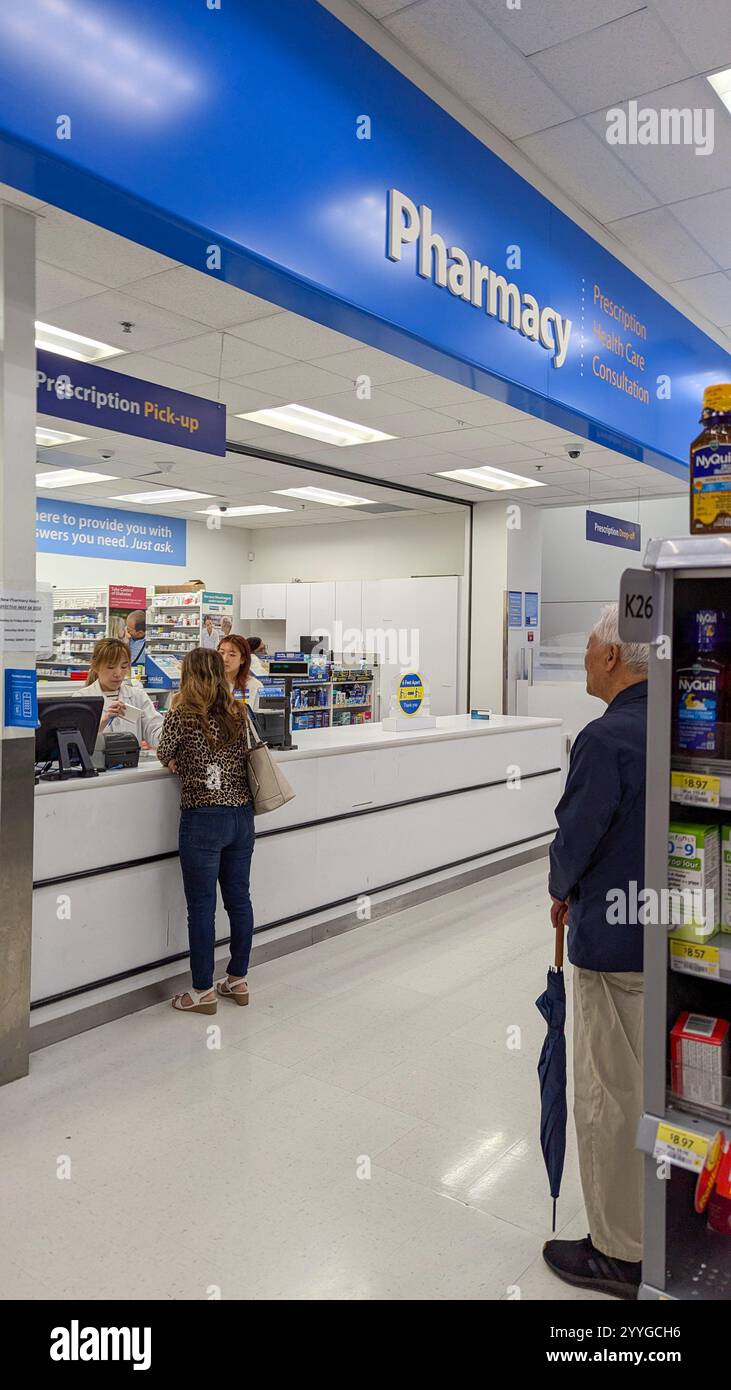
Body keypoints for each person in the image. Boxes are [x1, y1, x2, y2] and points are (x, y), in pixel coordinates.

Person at [543, 603, 648, 1301]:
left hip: (610, 944)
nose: (583, 659)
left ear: (611, 657)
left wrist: (560, 886)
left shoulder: (605, 737)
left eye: (586, 649)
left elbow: (575, 837)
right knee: (646, 1089)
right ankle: (656, 1224)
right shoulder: (673, 724)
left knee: (608, 1094)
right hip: (666, 935)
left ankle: (619, 1251)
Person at [157, 647, 255, 1014]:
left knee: (201, 908)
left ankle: (201, 991)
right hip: (241, 817)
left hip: (203, 817)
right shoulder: (238, 711)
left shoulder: (182, 713)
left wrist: (179, 763)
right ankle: (237, 979)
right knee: (239, 900)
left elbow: (164, 752)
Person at [80, 637, 164, 748]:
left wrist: (170, 734)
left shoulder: (137, 696)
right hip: (96, 764)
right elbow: (78, 742)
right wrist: (104, 721)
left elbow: (154, 729)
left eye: (124, 666)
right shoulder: (82, 698)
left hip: (132, 763)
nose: (118, 673)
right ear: (95, 666)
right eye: (111, 667)